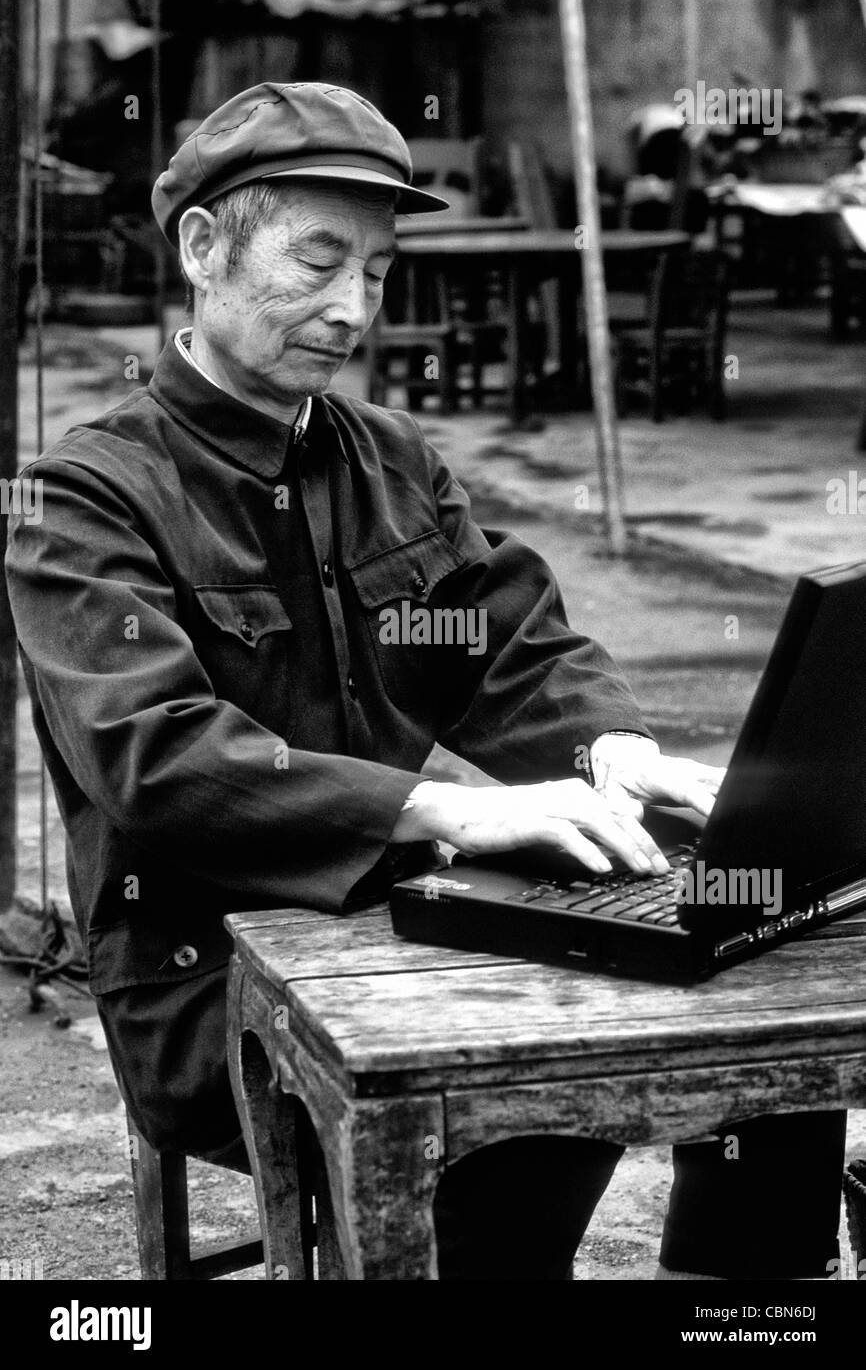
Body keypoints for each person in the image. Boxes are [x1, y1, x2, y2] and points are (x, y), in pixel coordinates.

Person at [5, 82, 845, 1281]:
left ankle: (737, 1300)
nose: (353, 310)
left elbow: (509, 650)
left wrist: (615, 750)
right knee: (530, 1112)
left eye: (381, 271)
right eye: (317, 259)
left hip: (415, 930)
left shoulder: (390, 459)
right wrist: (454, 808)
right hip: (210, 979)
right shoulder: (84, 501)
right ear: (201, 246)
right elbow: (159, 759)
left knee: (755, 1009)